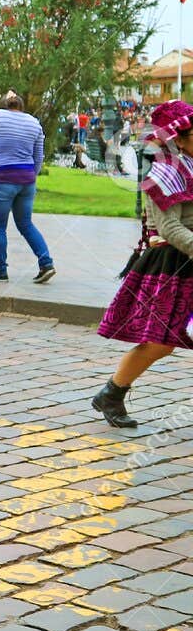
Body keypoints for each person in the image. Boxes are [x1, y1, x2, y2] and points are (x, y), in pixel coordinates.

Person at [94, 100, 193, 428]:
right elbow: (170, 229)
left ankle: (111, 393)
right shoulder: (165, 173)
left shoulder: (189, 164)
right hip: (173, 263)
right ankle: (112, 393)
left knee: (162, 343)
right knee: (160, 343)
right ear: (179, 138)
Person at [0, 91, 55, 283]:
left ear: (2, 106)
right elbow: (39, 156)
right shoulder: (34, 122)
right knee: (26, 223)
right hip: (27, 179)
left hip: (1, 177)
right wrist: (32, 174)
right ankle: (46, 263)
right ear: (21, 107)